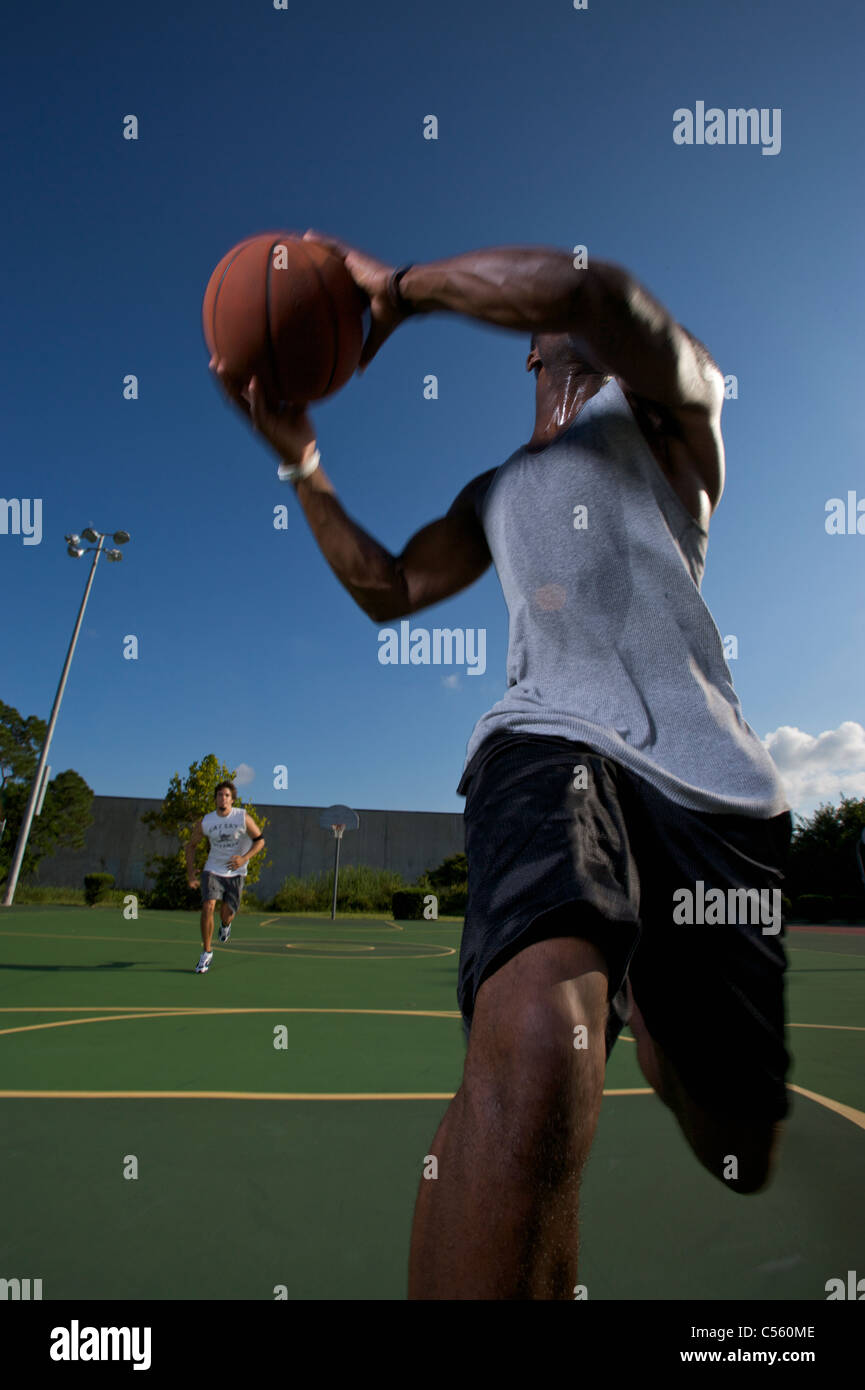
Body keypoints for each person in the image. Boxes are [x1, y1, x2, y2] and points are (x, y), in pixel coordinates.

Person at [210, 235, 793, 1299]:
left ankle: (656, 1002)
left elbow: (592, 289)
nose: (556, 306)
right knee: (534, 1053)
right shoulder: (497, 490)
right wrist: (301, 460)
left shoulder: (675, 413)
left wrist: (401, 291)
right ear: (526, 351)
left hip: (708, 781)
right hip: (545, 745)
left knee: (739, 1146)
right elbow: (386, 587)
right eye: (536, 311)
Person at [186, 781, 264, 973]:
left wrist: (244, 858)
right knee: (208, 906)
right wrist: (190, 873)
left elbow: (260, 841)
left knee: (226, 913)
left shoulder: (242, 817)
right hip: (212, 869)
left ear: (232, 799)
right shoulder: (207, 821)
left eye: (227, 795)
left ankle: (226, 925)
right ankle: (207, 952)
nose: (223, 798)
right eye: (220, 795)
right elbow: (191, 846)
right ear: (215, 799)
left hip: (236, 871)